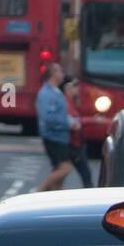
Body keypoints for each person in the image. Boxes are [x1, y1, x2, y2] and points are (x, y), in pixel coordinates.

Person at [34, 63, 78, 192]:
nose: (63, 74)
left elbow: (62, 114)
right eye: (60, 71)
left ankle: (54, 197)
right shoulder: (46, 94)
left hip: (62, 136)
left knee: (59, 172)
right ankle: (39, 192)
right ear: (53, 74)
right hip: (53, 136)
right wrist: (67, 123)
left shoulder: (57, 92)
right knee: (65, 168)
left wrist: (72, 121)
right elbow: (48, 117)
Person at [62, 77, 93, 188]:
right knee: (84, 174)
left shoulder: (72, 102)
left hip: (76, 143)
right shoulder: (66, 102)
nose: (78, 88)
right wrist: (93, 120)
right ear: (67, 88)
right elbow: (75, 121)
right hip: (74, 144)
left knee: (63, 171)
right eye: (75, 85)